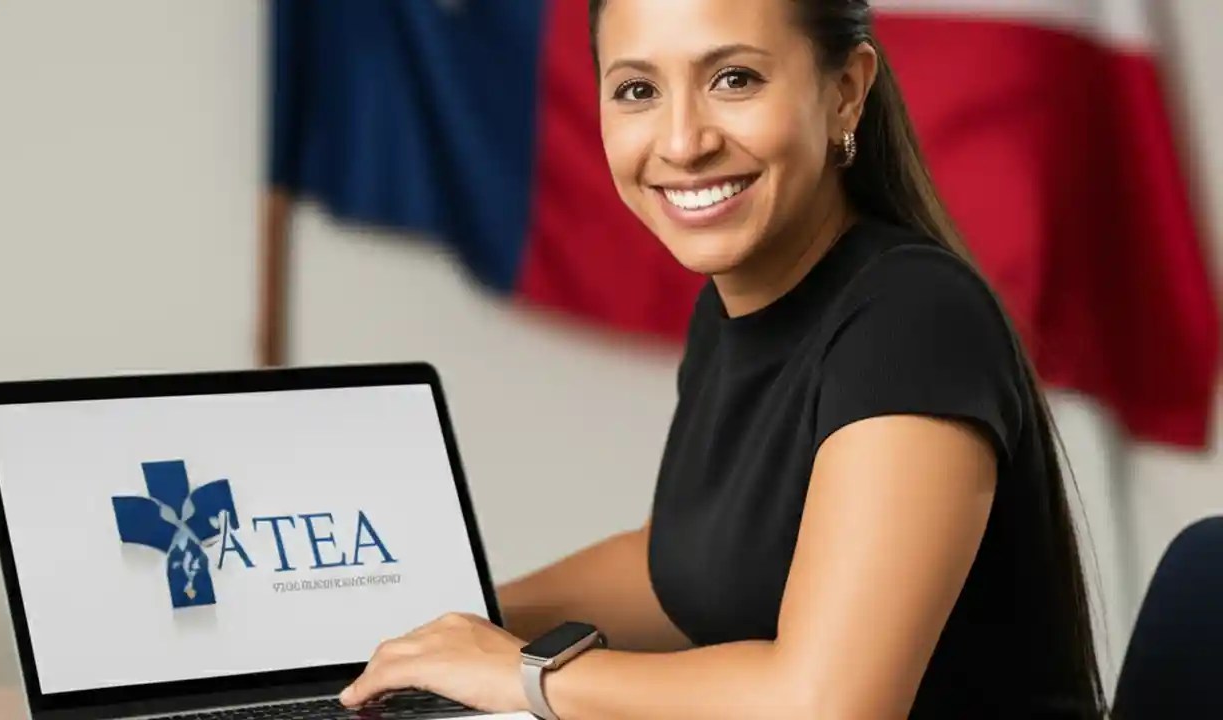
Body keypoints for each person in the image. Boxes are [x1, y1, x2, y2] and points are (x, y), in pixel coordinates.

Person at [338, 0, 1107, 717]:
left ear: (845, 92)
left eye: (734, 79)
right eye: (638, 90)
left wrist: (522, 675)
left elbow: (827, 704)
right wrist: (445, 625)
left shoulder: (913, 319)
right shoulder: (734, 308)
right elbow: (682, 570)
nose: (682, 142)